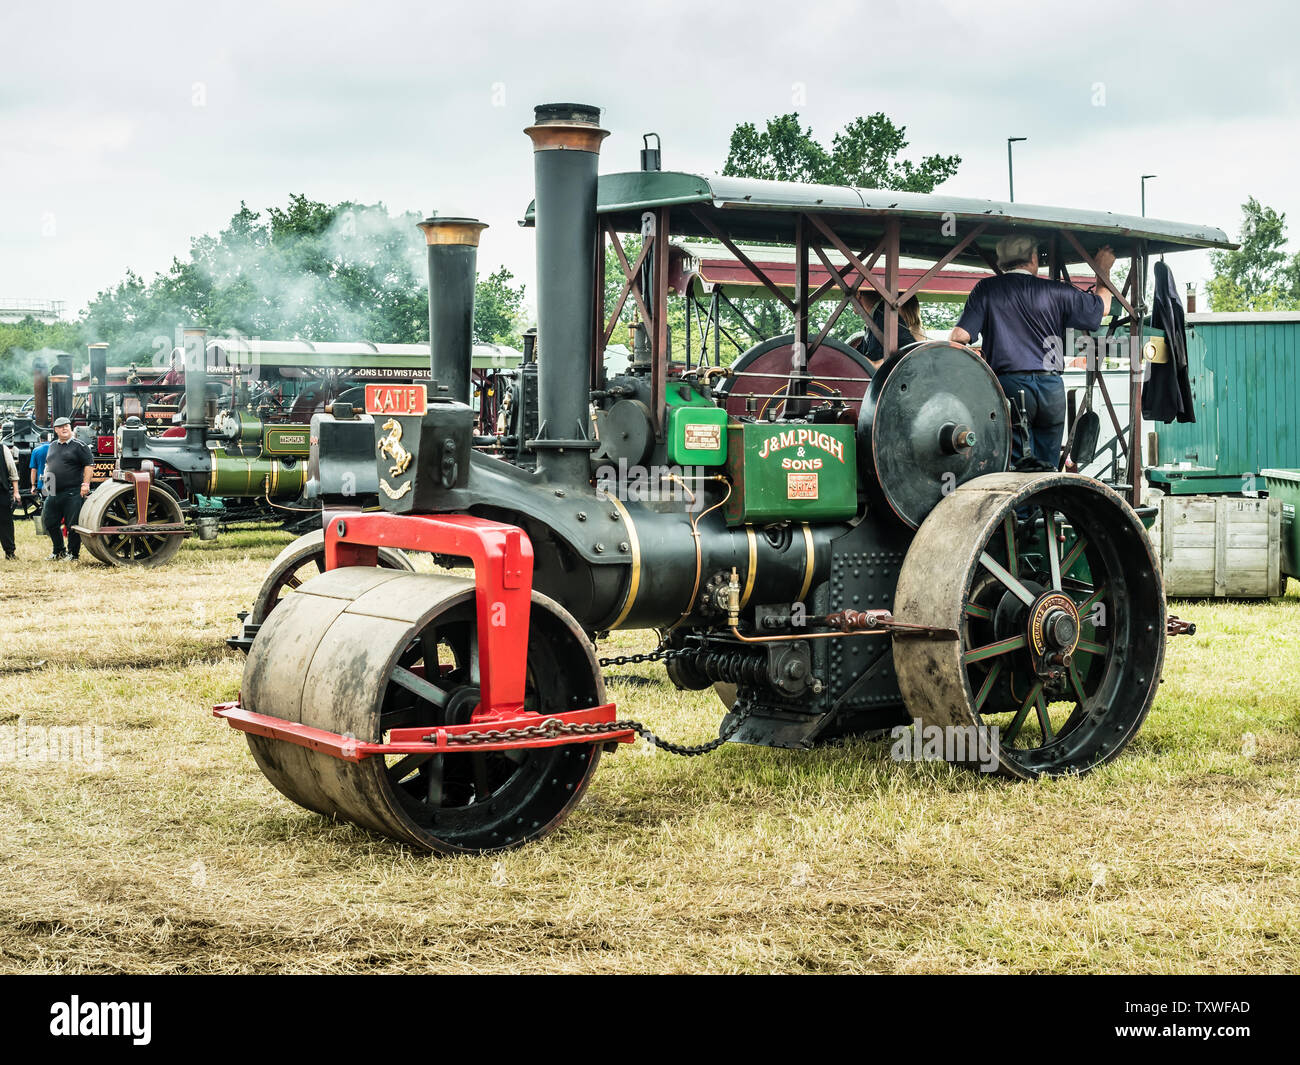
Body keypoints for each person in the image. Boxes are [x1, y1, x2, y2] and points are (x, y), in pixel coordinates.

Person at [950, 233, 1115, 468]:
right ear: (1033, 259)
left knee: (1015, 466)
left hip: (1009, 387)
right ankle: (1044, 503)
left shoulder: (987, 289)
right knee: (1047, 466)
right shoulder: (1056, 291)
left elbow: (960, 337)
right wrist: (1102, 270)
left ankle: (1023, 505)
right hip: (1051, 389)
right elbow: (1103, 309)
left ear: (1001, 261)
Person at [43, 417, 94, 561]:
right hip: (53, 491)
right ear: (56, 430)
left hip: (73, 491)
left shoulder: (80, 445)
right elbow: (49, 466)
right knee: (50, 522)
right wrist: (47, 488)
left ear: (70, 427)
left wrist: (85, 485)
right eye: (61, 427)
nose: (64, 428)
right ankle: (58, 551)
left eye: (66, 426)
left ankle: (73, 554)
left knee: (72, 525)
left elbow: (89, 466)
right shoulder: (52, 445)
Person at [856, 294, 926, 365]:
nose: (888, 310)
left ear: (906, 309)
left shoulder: (915, 330)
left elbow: (908, 353)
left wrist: (877, 364)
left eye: (893, 307)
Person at [0, 436, 19, 560]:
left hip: (1, 491)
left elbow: (12, 471)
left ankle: (10, 552)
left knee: (5, 523)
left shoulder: (3, 449)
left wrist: (16, 492)